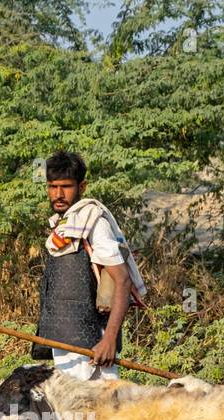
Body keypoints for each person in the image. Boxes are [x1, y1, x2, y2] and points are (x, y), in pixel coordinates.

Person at [37, 151, 145, 380]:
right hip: (67, 344)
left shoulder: (94, 224)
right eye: (52, 186)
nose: (58, 194)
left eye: (66, 186)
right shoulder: (67, 225)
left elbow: (122, 280)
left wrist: (109, 341)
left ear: (82, 186)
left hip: (93, 346)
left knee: (96, 414)